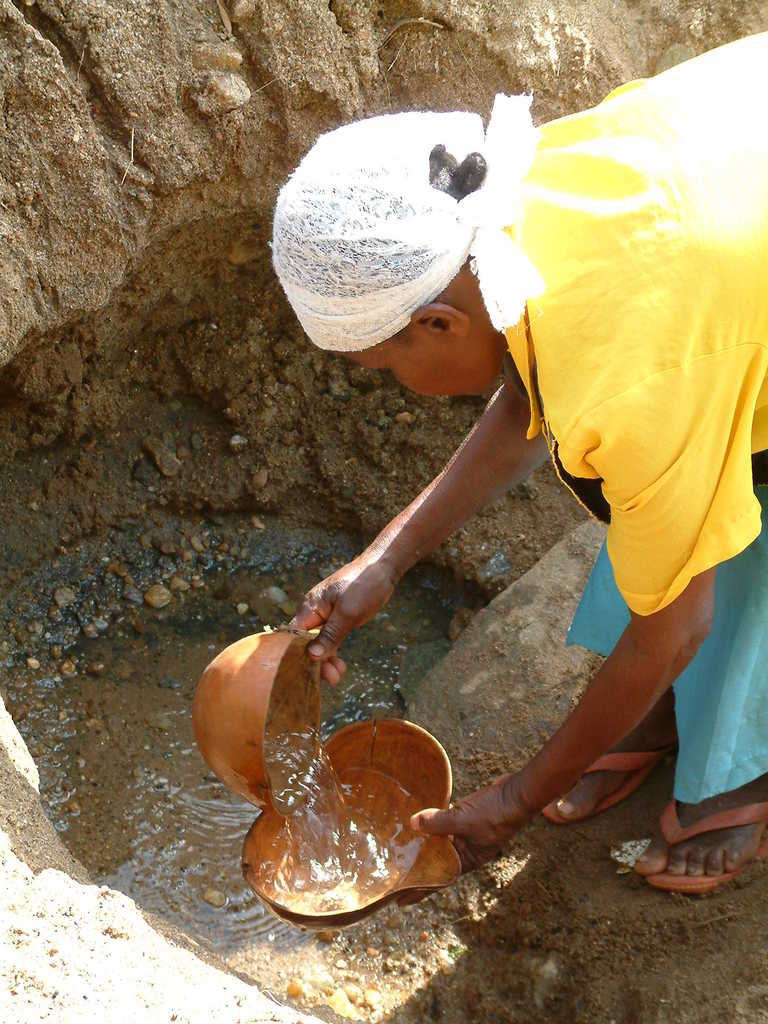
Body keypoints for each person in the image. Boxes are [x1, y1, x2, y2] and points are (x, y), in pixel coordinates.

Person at [272, 32, 768, 893]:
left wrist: (514, 797)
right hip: (725, 234)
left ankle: (743, 765)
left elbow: (674, 623)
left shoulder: (630, 376)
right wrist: (386, 559)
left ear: (436, 322)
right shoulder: (508, 208)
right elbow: (531, 388)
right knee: (664, 494)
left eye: (384, 364)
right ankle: (663, 713)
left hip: (709, 298)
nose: (399, 384)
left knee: (705, 534)